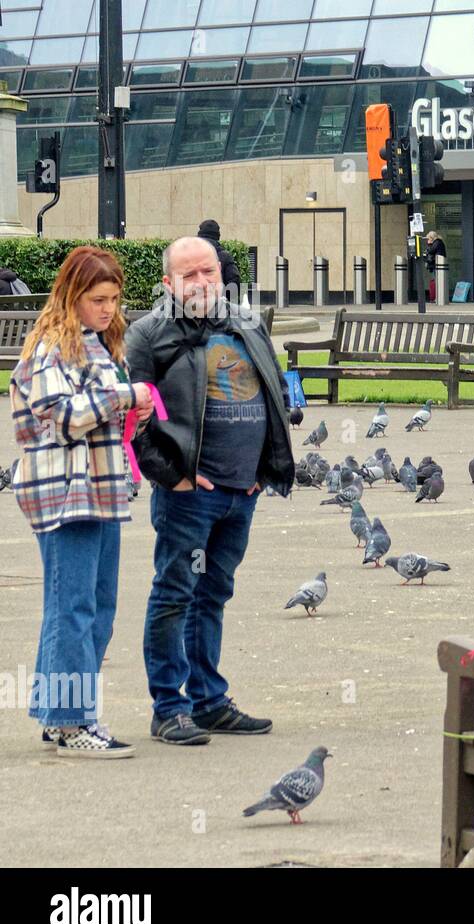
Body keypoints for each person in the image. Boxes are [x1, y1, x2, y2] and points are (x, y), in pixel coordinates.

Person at [126, 236, 295, 745]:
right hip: (189, 495)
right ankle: (169, 707)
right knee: (175, 593)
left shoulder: (245, 323)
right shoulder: (149, 335)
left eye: (209, 272)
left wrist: (266, 468)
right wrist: (169, 475)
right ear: (168, 283)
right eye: (189, 275)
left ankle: (210, 701)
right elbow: (132, 419)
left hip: (242, 491)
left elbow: (276, 389)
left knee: (213, 594)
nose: (202, 282)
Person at [10, 246, 155, 757]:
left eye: (114, 299)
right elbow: (63, 415)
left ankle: (59, 716)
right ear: (72, 295)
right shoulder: (53, 345)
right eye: (98, 299)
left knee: (91, 607)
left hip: (98, 489)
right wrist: (125, 397)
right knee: (75, 608)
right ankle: (74, 723)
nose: (109, 308)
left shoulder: (95, 343)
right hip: (65, 491)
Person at [197, 219, 242, 303]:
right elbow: (234, 281)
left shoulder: (190, 254)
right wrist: (224, 298)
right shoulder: (225, 256)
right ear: (217, 236)